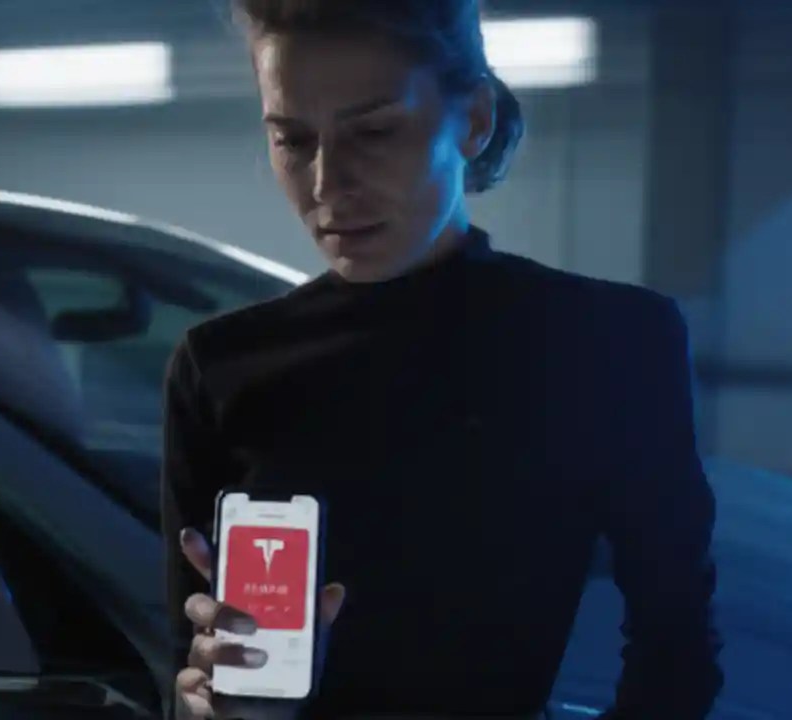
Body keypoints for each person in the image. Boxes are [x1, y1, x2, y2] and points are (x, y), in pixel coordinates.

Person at [160, 0, 723, 718]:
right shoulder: (220, 366)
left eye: (375, 131)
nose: (329, 184)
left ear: (475, 119)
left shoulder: (608, 341)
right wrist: (207, 704)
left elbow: (675, 659)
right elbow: (187, 671)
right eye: (293, 140)